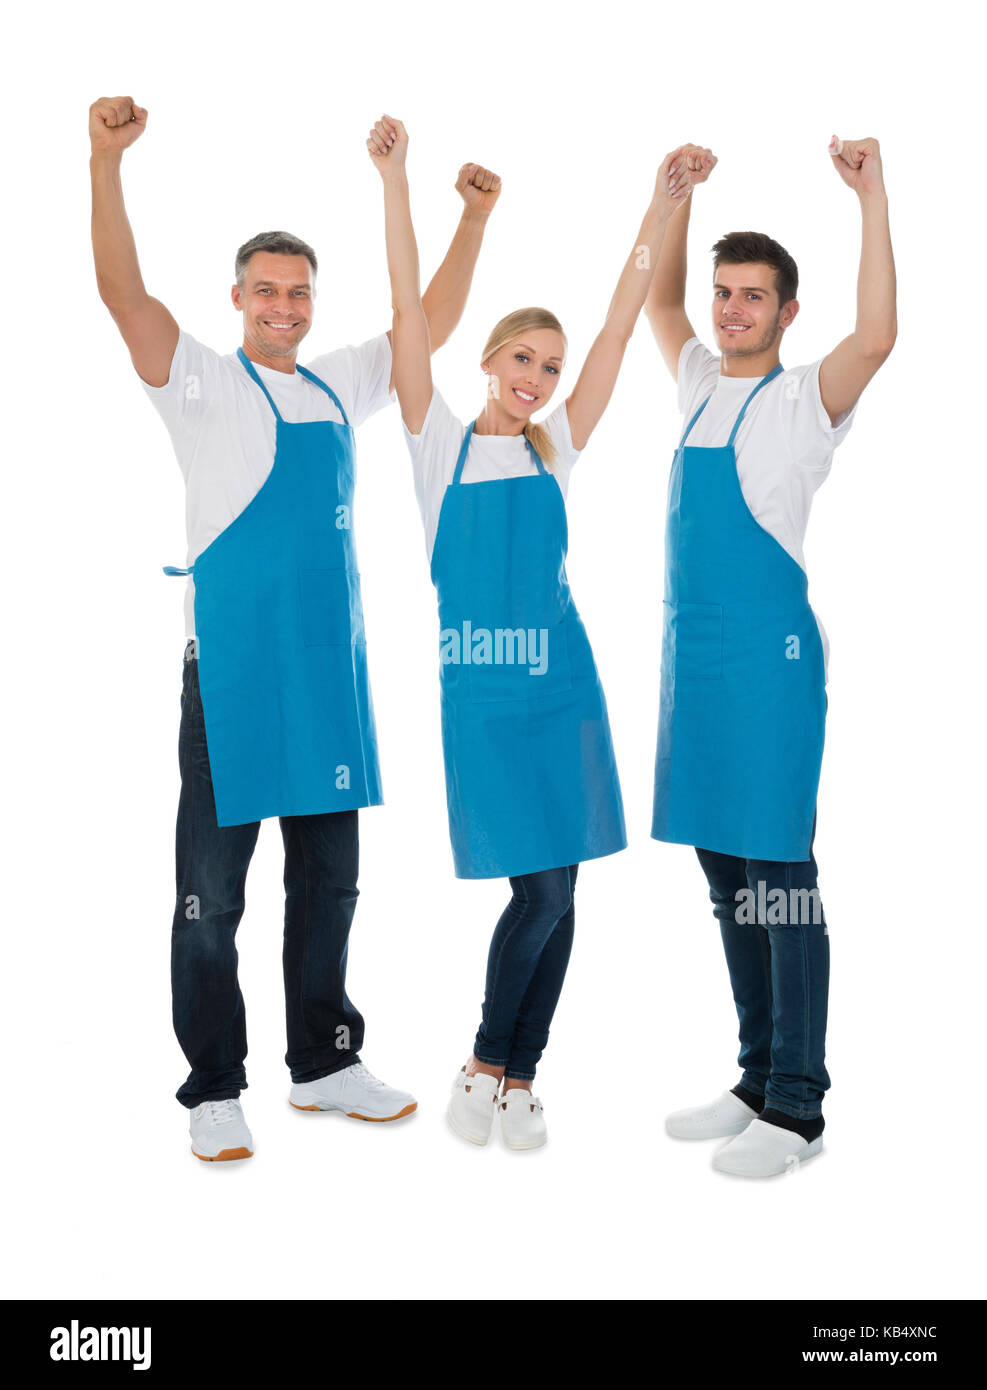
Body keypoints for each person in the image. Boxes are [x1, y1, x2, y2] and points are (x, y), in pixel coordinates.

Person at [90, 95, 501, 1162]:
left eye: (298, 292)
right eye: (266, 291)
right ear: (237, 298)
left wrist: (465, 220)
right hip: (228, 675)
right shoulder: (200, 385)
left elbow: (430, 328)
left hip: (328, 677)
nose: (284, 306)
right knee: (209, 896)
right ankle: (213, 1086)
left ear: (313, 305)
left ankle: (323, 1061)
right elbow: (121, 292)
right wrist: (105, 162)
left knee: (332, 880)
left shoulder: (335, 381)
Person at [371, 114, 694, 1149]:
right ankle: (483, 1057)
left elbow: (615, 326)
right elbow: (405, 322)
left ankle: (517, 1078)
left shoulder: (555, 444)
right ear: (489, 359)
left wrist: (661, 206)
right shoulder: (435, 444)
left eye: (550, 367)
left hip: (565, 691)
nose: (541, 378)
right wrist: (398, 180)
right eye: (524, 358)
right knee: (540, 886)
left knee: (562, 890)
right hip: (481, 697)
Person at [645, 137, 896, 1177]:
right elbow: (660, 305)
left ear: (789, 312)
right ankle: (755, 1074)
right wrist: (672, 199)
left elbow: (879, 335)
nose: (730, 308)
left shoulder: (804, 404)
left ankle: (798, 1106)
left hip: (771, 672)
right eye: (725, 292)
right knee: (726, 874)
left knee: (782, 881)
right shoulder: (700, 381)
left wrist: (871, 196)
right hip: (694, 670)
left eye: (753, 296)